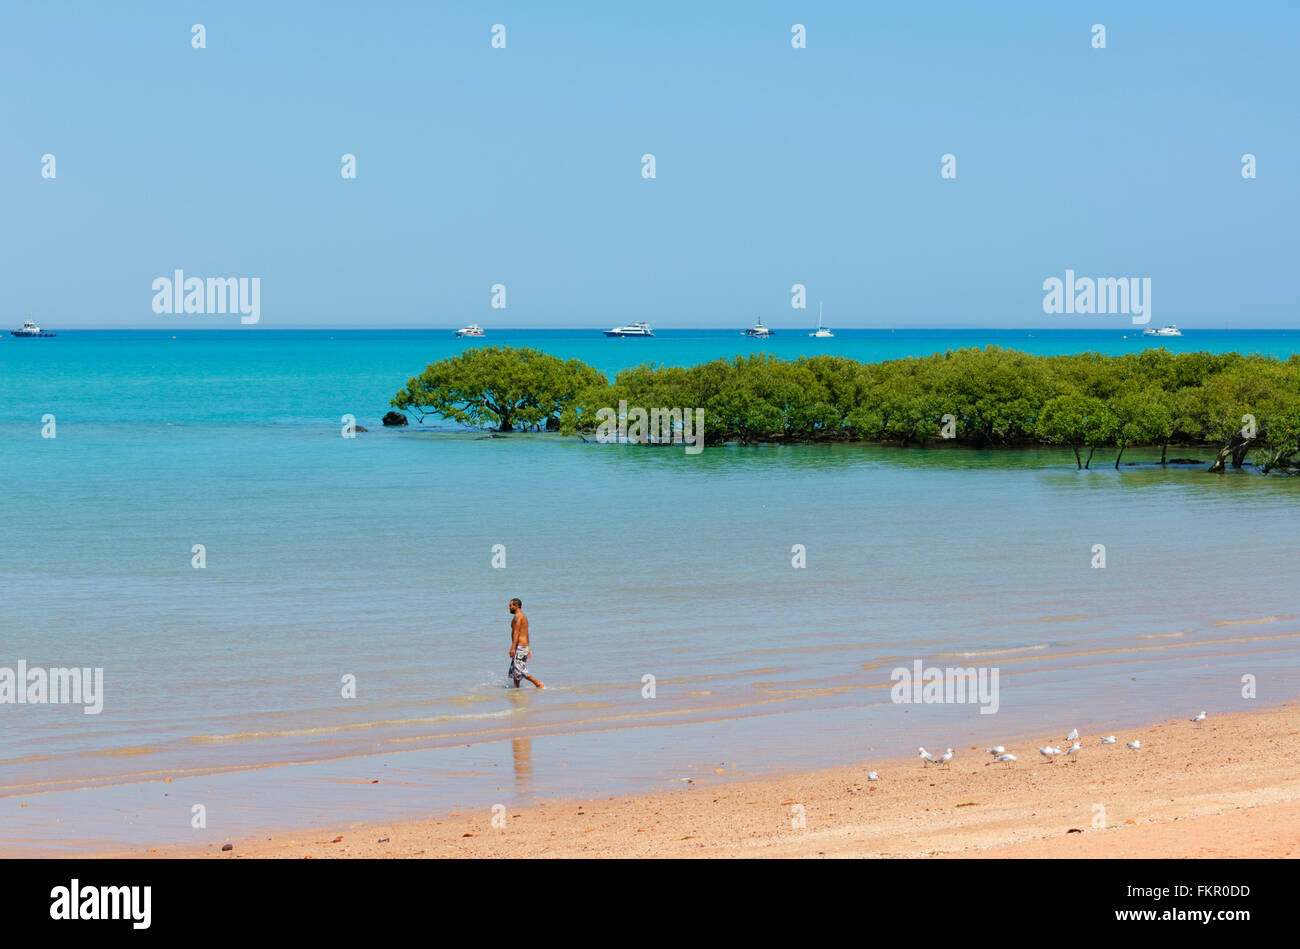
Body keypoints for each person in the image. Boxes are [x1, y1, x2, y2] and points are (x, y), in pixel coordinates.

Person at [507, 598, 543, 689]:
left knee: (520, 670)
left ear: (516, 606)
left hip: (519, 647)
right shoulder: (522, 616)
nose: (509, 607)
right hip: (522, 647)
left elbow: (517, 632)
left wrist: (512, 648)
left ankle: (538, 684)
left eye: (510, 605)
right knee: (514, 671)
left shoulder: (518, 616)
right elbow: (526, 633)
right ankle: (516, 689)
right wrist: (528, 648)